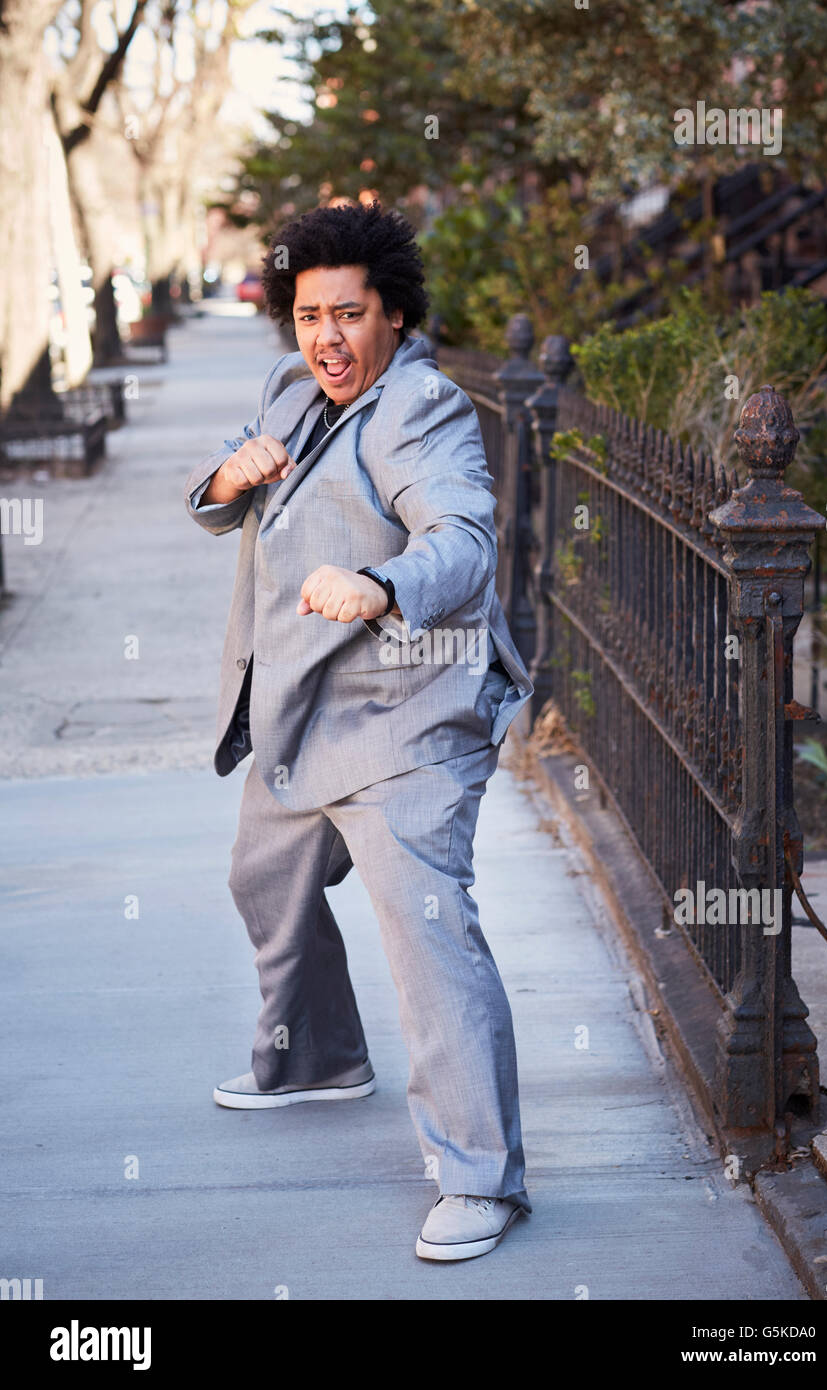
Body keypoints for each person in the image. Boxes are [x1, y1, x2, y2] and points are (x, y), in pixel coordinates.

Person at [184, 200, 534, 1261]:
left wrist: (379, 582)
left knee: (425, 932)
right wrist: (222, 483)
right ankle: (318, 1055)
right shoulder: (291, 392)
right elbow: (232, 499)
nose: (326, 338)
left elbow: (464, 539)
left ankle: (481, 1177)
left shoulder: (419, 412)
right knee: (264, 880)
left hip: (407, 721)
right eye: (307, 315)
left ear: (392, 317)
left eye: (348, 315)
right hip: (302, 710)